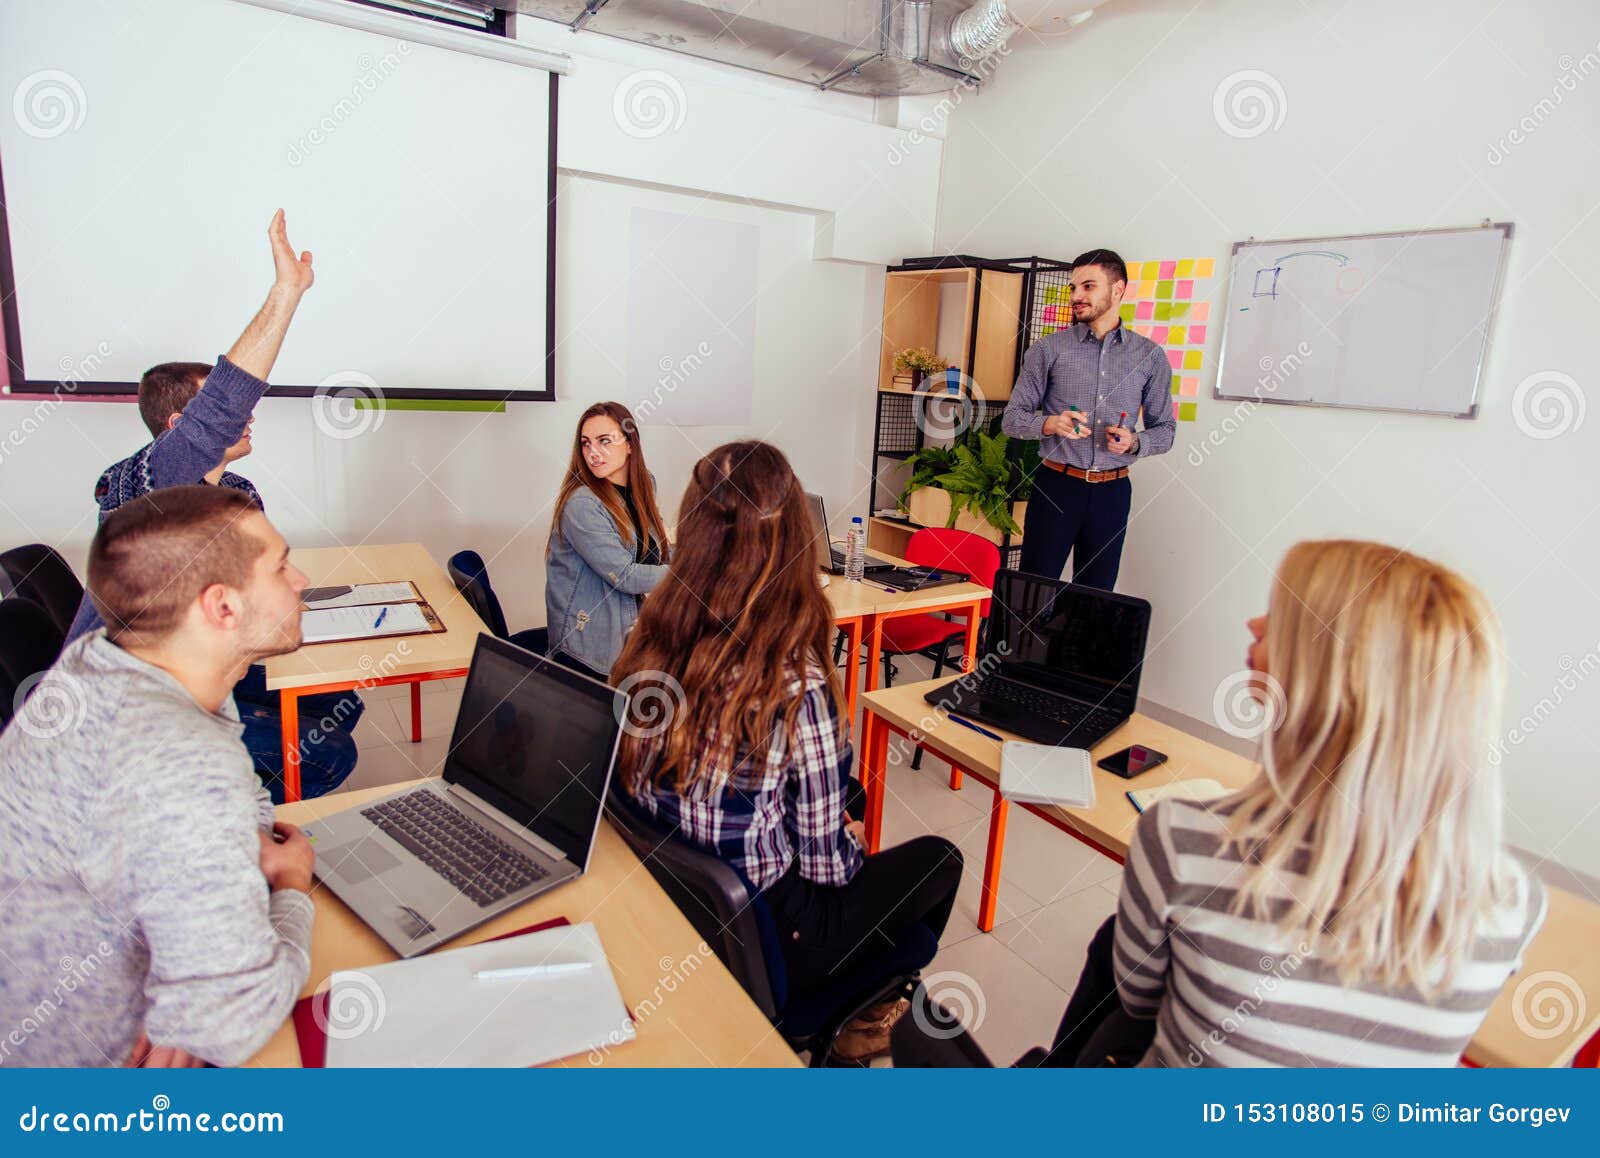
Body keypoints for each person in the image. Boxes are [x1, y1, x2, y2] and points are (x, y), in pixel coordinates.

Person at [1026, 540, 1547, 1067]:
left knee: (1118, 947)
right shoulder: (1518, 902)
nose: (1254, 623)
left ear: (1331, 670)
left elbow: (1137, 1001)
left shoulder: (1180, 838)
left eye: (1281, 617)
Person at [612, 441, 963, 1062]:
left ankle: (859, 1010)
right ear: (794, 541)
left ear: (691, 530)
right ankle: (860, 1016)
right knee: (940, 859)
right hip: (773, 931)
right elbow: (828, 869)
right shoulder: (795, 683)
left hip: (679, 899)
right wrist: (845, 838)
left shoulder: (650, 638)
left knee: (840, 796)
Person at [0, 486, 316, 1067]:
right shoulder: (177, 752)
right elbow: (229, 1022)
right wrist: (293, 885)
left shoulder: (104, 661)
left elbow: (245, 801)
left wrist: (238, 845)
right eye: (281, 566)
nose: (300, 581)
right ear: (223, 607)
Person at [63, 210, 362, 801]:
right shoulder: (136, 488)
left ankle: (239, 810)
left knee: (342, 695)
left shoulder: (236, 495)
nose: (245, 417)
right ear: (180, 427)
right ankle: (223, 821)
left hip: (204, 665)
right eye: (212, 415)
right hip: (129, 719)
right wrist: (286, 295)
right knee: (329, 752)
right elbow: (222, 408)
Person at [1002, 248, 1175, 590]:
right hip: (1056, 488)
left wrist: (1135, 441)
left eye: (1088, 286)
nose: (1076, 296)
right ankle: (1016, 646)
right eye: (1073, 288)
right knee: (1032, 591)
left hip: (1113, 492)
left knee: (1096, 596)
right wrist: (1051, 424)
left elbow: (1166, 431)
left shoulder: (1150, 357)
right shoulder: (1047, 350)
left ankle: (1078, 648)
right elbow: (1012, 419)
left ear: (1117, 290)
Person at [545, 401, 671, 680]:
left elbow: (656, 551)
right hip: (588, 649)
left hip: (627, 634)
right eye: (586, 444)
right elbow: (626, 576)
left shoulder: (644, 485)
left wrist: (702, 555)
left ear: (630, 444)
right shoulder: (582, 504)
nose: (593, 453)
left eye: (605, 441)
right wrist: (690, 573)